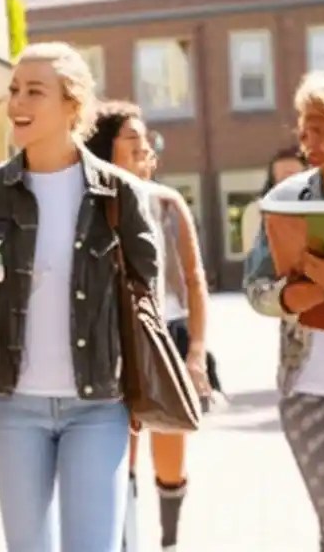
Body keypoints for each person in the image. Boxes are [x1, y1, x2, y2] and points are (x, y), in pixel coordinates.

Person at [0, 43, 160, 552]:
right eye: (14, 90)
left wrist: (141, 389)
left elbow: (145, 294)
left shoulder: (118, 193)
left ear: (73, 104)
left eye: (34, 91)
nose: (17, 102)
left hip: (98, 406)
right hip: (14, 404)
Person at [85, 100, 216, 552]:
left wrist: (196, 352)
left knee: (171, 454)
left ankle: (169, 541)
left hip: (168, 336)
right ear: (106, 147)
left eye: (146, 137)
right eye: (131, 137)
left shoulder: (167, 201)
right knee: (121, 455)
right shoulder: (92, 203)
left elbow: (196, 282)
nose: (143, 144)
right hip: (113, 341)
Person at [244, 74, 324, 552]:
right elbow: (255, 285)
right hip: (309, 393)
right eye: (303, 130)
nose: (307, 141)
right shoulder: (286, 199)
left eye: (320, 127)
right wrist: (284, 300)